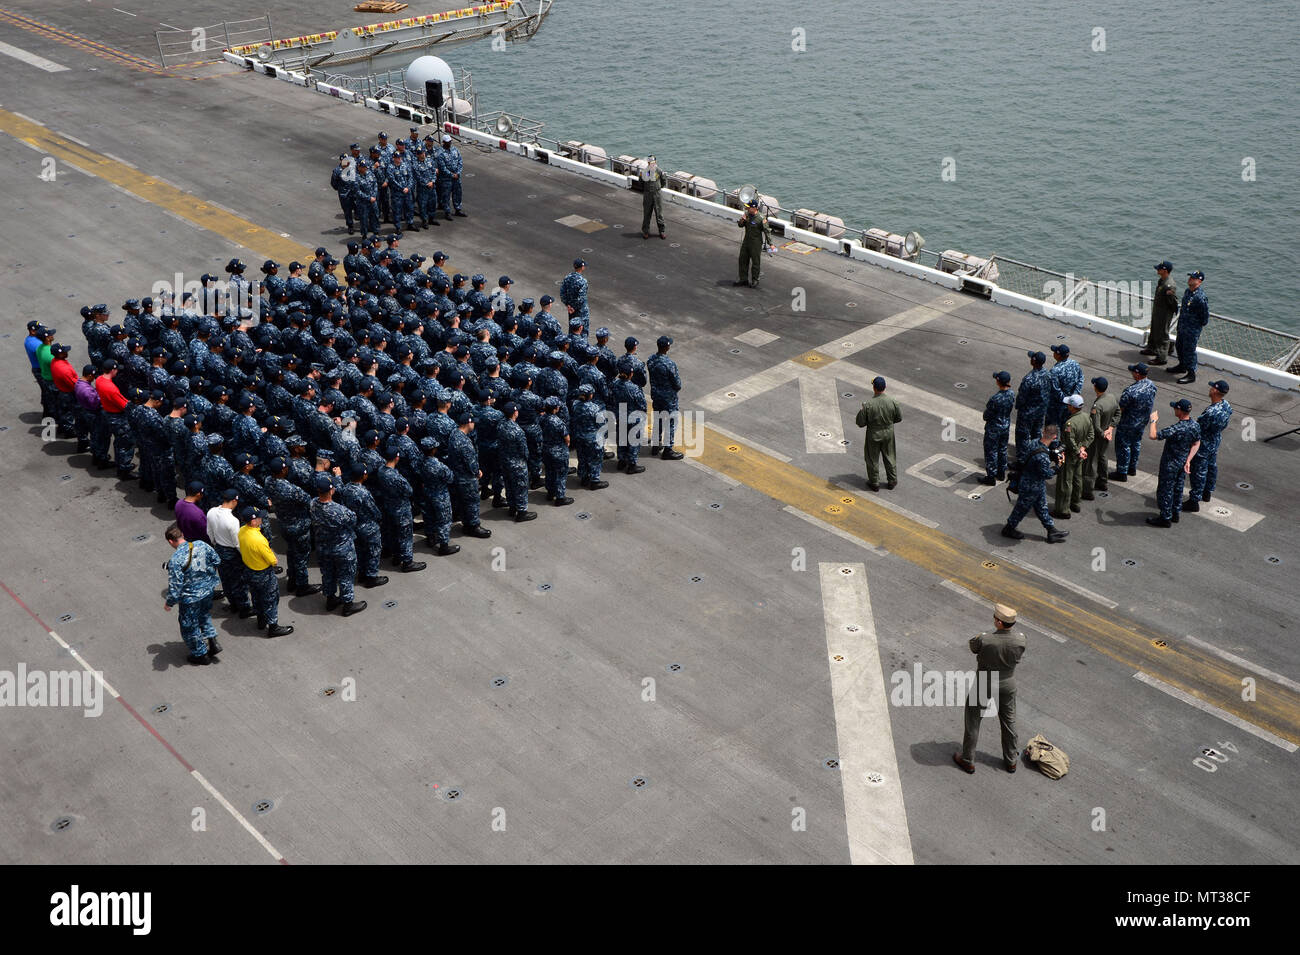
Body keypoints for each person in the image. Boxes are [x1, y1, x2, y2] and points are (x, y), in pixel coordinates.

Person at [953, 603, 1025, 774]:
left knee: (973, 720)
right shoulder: (1021, 639)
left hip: (985, 683)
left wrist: (984, 637)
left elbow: (973, 647)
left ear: (999, 623)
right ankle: (1011, 760)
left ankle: (968, 760)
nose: (994, 619)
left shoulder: (986, 639)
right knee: (1009, 721)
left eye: (995, 618)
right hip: (1008, 683)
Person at [163, 523, 224, 665]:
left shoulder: (176, 560)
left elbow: (175, 586)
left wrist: (169, 603)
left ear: (171, 541)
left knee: (189, 625)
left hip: (190, 598)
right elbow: (217, 560)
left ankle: (200, 654)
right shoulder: (201, 544)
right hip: (208, 591)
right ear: (182, 535)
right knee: (204, 615)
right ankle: (212, 640)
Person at [311, 473, 367, 615]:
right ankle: (348, 605)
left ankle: (330, 600)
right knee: (346, 575)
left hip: (323, 547)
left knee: (328, 573)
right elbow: (353, 520)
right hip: (341, 548)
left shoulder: (313, 504)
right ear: (331, 491)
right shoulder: (339, 510)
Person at [1001, 424, 1068, 543]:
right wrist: (1058, 466)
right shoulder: (1043, 457)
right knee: (1021, 509)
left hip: (1034, 484)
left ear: (1043, 432)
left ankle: (1051, 530)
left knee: (1042, 507)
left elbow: (1024, 458)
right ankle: (1009, 528)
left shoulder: (1034, 442)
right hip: (1031, 486)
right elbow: (1047, 474)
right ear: (1054, 437)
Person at [238, 506, 294, 637]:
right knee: (271, 599)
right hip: (263, 573)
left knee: (256, 596)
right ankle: (273, 627)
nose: (261, 519)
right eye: (259, 518)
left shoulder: (242, 530)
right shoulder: (258, 539)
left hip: (249, 570)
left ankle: (261, 620)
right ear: (253, 521)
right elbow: (273, 560)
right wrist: (273, 560)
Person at [1145, 400, 1201, 528]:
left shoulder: (1176, 429)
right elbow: (1197, 443)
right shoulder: (1195, 425)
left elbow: (1153, 435)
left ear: (1180, 411)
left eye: (1176, 408)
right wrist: (1188, 460)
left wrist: (1153, 421)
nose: (1174, 409)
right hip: (1182, 463)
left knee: (1165, 490)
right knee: (1178, 489)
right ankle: (1175, 513)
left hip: (1170, 465)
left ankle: (1165, 518)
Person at [206, 489, 254, 617]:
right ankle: (244, 608)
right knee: (238, 582)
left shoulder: (211, 512)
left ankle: (233, 604)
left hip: (218, 549)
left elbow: (209, 532)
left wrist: (216, 544)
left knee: (225, 579)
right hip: (232, 553)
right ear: (234, 501)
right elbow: (237, 543)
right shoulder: (232, 520)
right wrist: (245, 557)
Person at [1186, 380, 1233, 510]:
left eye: (1212, 387)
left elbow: (1199, 428)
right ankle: (1207, 492)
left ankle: (1194, 501)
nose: (1210, 389)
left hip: (1204, 443)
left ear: (1215, 391)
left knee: (1198, 471)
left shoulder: (1211, 412)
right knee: (1211, 467)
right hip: (1215, 440)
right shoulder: (1226, 405)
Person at [446, 411, 492, 537]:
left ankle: (466, 524)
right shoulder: (464, 442)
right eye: (473, 423)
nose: (474, 425)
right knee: (472, 502)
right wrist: (477, 472)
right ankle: (474, 526)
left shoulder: (454, 434)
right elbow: (470, 463)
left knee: (463, 502)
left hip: (456, 475)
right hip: (466, 478)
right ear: (468, 423)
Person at [1110, 362, 1157, 481]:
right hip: (1141, 422)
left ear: (1137, 374)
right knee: (1136, 443)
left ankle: (1122, 472)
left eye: (1133, 372)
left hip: (1128, 423)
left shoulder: (1130, 391)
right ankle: (1132, 468)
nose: (1131, 373)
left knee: (1123, 445)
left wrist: (1112, 422)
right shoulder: (1151, 385)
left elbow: (1120, 409)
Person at [854, 376, 901, 492]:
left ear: (874, 388)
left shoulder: (868, 404)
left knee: (872, 458)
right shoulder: (893, 401)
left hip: (873, 434)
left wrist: (862, 410)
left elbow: (860, 423)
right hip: (888, 433)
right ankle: (892, 480)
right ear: (885, 387)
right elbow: (899, 418)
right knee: (890, 456)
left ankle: (874, 483)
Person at [417, 436, 460, 555]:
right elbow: (450, 478)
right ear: (433, 450)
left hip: (427, 492)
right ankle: (444, 546)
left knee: (429, 515)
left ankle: (430, 538)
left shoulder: (419, 461)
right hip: (440, 495)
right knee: (444, 520)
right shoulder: (439, 466)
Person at [94, 358, 136, 479]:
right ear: (112, 370)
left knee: (111, 440)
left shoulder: (99, 379)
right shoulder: (111, 388)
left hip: (106, 413)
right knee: (125, 443)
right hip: (117, 417)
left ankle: (103, 460)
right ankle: (124, 469)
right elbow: (124, 405)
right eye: (116, 369)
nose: (117, 371)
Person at [1081, 376, 1119, 500]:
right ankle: (1103, 482)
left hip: (1097, 437)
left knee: (1091, 463)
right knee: (1103, 458)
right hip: (1106, 434)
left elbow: (1095, 426)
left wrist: (1103, 434)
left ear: (1095, 387)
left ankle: (1087, 490)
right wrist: (1110, 428)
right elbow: (1118, 413)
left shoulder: (1097, 406)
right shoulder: (1112, 397)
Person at [497, 402, 537, 521]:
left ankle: (512, 507)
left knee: (509, 485)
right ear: (514, 413)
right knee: (521, 487)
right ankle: (522, 512)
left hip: (505, 461)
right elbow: (524, 450)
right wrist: (526, 460)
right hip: (517, 463)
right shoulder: (517, 431)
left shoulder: (500, 425)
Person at [646, 335, 683, 459]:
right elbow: (677, 384)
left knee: (658, 419)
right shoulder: (669, 364)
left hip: (656, 396)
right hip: (668, 398)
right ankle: (668, 450)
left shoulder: (651, 360)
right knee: (671, 422)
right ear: (667, 347)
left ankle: (655, 445)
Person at [610, 357, 647, 474]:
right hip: (633, 417)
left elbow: (610, 398)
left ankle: (621, 460)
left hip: (620, 415)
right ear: (631, 374)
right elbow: (642, 404)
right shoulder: (634, 388)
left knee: (622, 438)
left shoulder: (614, 384)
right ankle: (632, 464)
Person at [1013, 351, 1050, 459]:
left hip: (1027, 413)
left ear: (1034, 361)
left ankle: (1022, 460)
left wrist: (1019, 406)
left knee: (1023, 436)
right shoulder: (1048, 374)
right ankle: (1037, 456)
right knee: (1037, 434)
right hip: (1041, 411)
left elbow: (1022, 398)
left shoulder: (1029, 379)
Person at [1142, 260, 1179, 365]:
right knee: (1154, 330)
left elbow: (1172, 301)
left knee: (1162, 334)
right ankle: (1152, 348)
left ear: (1165, 271)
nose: (1157, 270)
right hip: (1158, 310)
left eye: (1159, 268)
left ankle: (1162, 357)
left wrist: (1168, 313)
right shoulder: (1162, 281)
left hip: (1164, 313)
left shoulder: (1169, 285)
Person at [980, 370, 1014, 485]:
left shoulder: (995, 398)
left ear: (998, 382)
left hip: (994, 428)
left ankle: (991, 477)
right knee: (1002, 449)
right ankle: (1001, 472)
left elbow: (986, 415)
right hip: (1005, 426)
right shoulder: (1011, 394)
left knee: (991, 451)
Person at [540, 396, 574, 505]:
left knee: (549, 471)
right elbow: (567, 438)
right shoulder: (558, 422)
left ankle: (550, 492)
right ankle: (560, 497)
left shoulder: (542, 418)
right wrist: (566, 445)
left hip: (546, 449)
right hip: (558, 452)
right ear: (555, 408)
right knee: (560, 474)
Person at [734, 199, 771, 288]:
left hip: (756, 243)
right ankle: (743, 279)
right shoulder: (747, 215)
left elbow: (767, 231)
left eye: (749, 207)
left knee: (755, 262)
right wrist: (742, 220)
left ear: (754, 208)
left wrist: (771, 244)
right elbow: (740, 225)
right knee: (742, 260)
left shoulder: (761, 218)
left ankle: (755, 280)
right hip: (746, 242)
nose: (747, 209)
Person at [435, 134, 466, 219]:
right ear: (443, 142)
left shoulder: (455, 150)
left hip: (456, 177)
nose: (449, 143)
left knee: (457, 194)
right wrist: (452, 175)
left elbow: (460, 161)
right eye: (447, 142)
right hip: (446, 179)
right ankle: (447, 212)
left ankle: (458, 209)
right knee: (446, 196)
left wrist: (458, 173)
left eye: (450, 141)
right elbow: (442, 168)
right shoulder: (440, 153)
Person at [561, 259, 591, 340]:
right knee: (582, 332)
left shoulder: (567, 278)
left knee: (572, 330)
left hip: (571, 310)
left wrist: (568, 305)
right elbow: (581, 298)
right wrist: (574, 307)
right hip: (581, 311)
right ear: (582, 267)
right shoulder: (583, 281)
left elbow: (562, 293)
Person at [639, 156, 667, 239]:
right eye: (650, 163)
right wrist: (646, 190)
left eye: (653, 163)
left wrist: (657, 188)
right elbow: (641, 182)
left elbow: (663, 182)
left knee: (659, 214)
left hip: (657, 194)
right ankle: (646, 231)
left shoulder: (659, 171)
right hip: (648, 195)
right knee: (647, 214)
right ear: (648, 163)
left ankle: (662, 231)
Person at [174, 480, 209, 544]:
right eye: (202, 494)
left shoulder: (178, 503)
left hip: (185, 537)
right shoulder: (198, 513)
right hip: (198, 541)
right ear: (198, 494)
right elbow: (205, 532)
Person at [331, 154, 356, 235]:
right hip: (344, 194)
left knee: (358, 208)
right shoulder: (337, 171)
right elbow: (334, 183)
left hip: (354, 193)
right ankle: (350, 226)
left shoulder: (352, 168)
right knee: (347, 211)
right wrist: (341, 189)